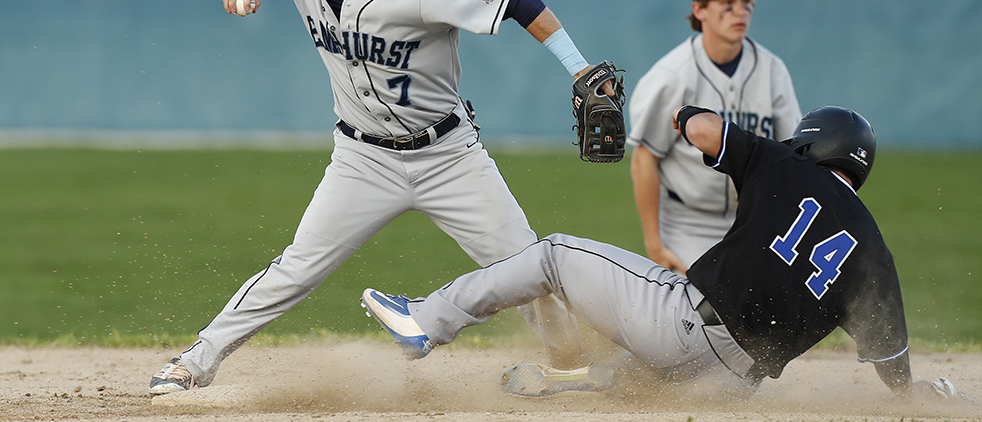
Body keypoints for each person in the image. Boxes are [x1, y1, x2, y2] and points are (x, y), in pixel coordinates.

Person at [148, 0, 614, 395]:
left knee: (522, 266)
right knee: (297, 268)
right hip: (362, 159)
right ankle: (197, 360)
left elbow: (520, 1)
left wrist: (580, 67)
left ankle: (570, 370)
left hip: (448, 157)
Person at [361, 106, 972, 402]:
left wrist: (684, 113)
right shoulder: (875, 255)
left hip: (682, 327)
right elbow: (892, 360)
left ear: (813, 145)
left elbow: (704, 132)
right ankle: (583, 386)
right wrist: (916, 393)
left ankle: (426, 321)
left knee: (551, 255)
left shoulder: (786, 162)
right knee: (654, 385)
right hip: (734, 383)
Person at [628, 0, 801, 275]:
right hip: (686, 223)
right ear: (700, 10)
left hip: (753, 220)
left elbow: (793, 155)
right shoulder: (671, 76)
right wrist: (654, 244)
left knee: (759, 318)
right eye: (728, 3)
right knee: (691, 317)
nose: (740, 12)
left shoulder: (772, 70)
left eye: (747, 3)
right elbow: (644, 159)